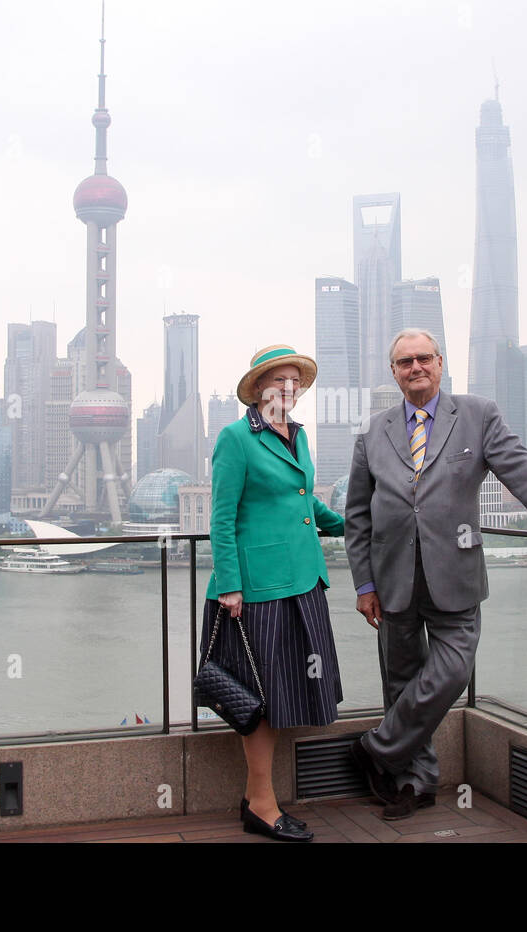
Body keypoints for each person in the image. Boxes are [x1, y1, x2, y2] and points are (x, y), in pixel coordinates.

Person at [344, 329, 527, 820]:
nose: (415, 367)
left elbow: (522, 470)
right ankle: (414, 783)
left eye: (424, 358)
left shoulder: (477, 415)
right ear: (394, 372)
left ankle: (376, 747)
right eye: (405, 362)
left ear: (440, 363)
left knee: (453, 669)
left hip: (456, 573)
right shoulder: (372, 432)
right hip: (392, 577)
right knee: (401, 680)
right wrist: (364, 584)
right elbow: (357, 515)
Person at [201, 344, 346, 842]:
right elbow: (222, 517)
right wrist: (230, 585)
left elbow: (306, 505)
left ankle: (255, 799)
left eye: (294, 381)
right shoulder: (236, 438)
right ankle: (263, 806)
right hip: (255, 591)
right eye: (278, 379)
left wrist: (353, 525)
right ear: (258, 387)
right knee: (260, 699)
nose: (288, 388)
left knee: (281, 695)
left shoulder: (298, 436)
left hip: (303, 582)